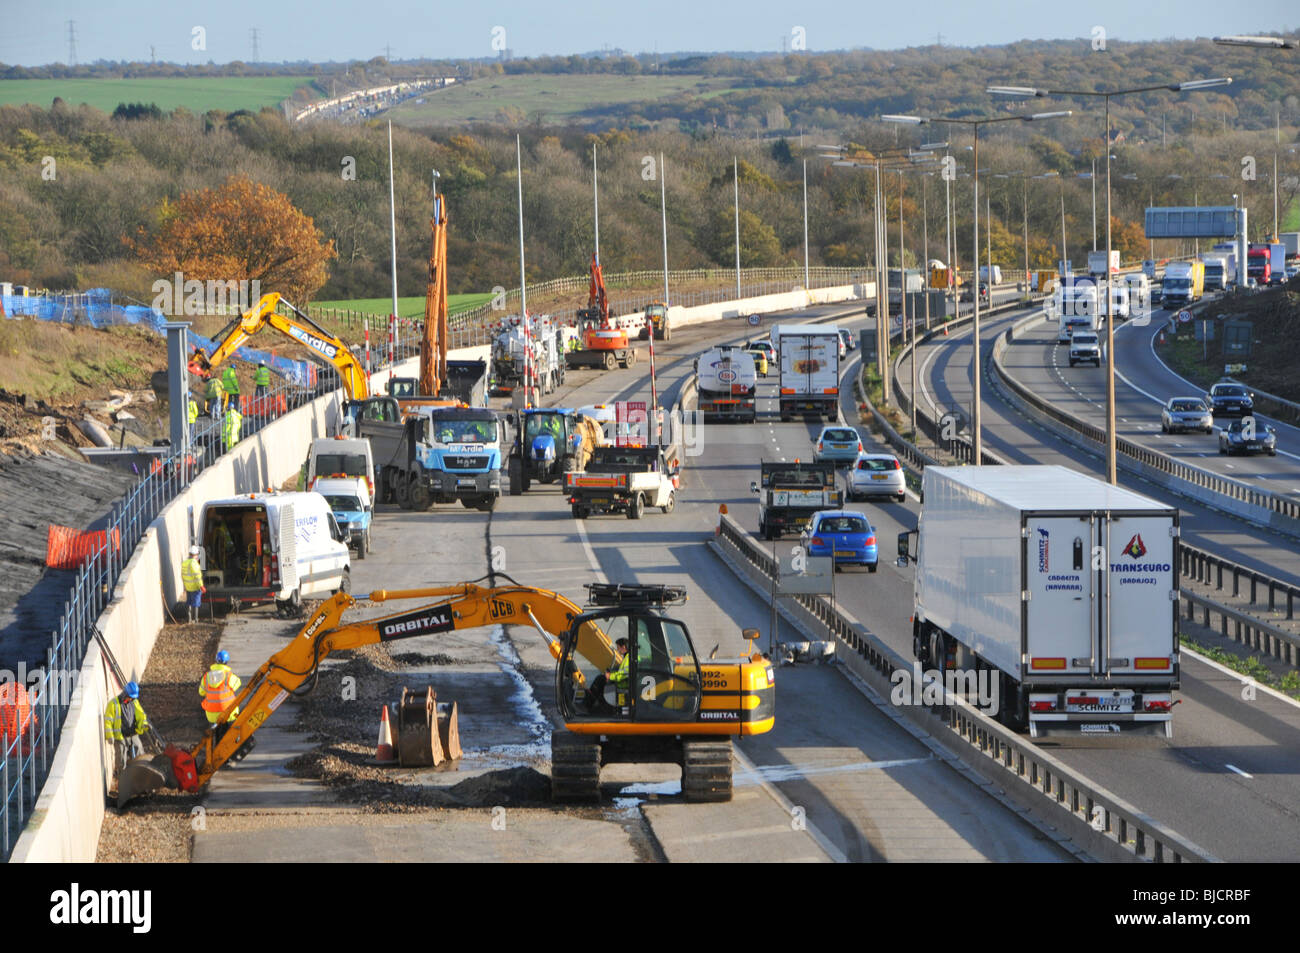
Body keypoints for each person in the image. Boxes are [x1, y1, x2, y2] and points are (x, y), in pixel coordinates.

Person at [104, 682, 148, 777]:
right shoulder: (113, 704)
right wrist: (110, 736)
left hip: (133, 734)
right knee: (121, 760)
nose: (131, 699)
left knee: (139, 754)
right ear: (125, 694)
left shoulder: (134, 703)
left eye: (133, 698)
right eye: (130, 697)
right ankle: (122, 780)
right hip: (120, 737)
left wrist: (144, 724)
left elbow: (141, 715)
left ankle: (142, 776)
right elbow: (108, 721)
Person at [199, 650, 241, 730]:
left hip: (211, 715)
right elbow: (237, 684)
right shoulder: (229, 676)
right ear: (227, 662)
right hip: (229, 713)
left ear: (216, 661)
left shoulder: (206, 677)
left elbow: (201, 692)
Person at [584, 638, 629, 713]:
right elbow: (621, 671)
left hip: (623, 685)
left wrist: (610, 676)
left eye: (618, 648)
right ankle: (594, 704)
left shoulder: (628, 659)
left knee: (600, 680)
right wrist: (610, 672)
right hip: (621, 682)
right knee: (601, 679)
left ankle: (588, 705)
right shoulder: (627, 657)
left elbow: (624, 674)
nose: (618, 650)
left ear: (623, 647)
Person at [181, 545, 206, 623]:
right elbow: (197, 576)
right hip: (195, 587)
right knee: (196, 602)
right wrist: (201, 586)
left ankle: (189, 619)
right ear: (195, 554)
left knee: (189, 602)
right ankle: (196, 619)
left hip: (188, 587)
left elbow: (183, 575)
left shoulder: (185, 563)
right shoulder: (194, 563)